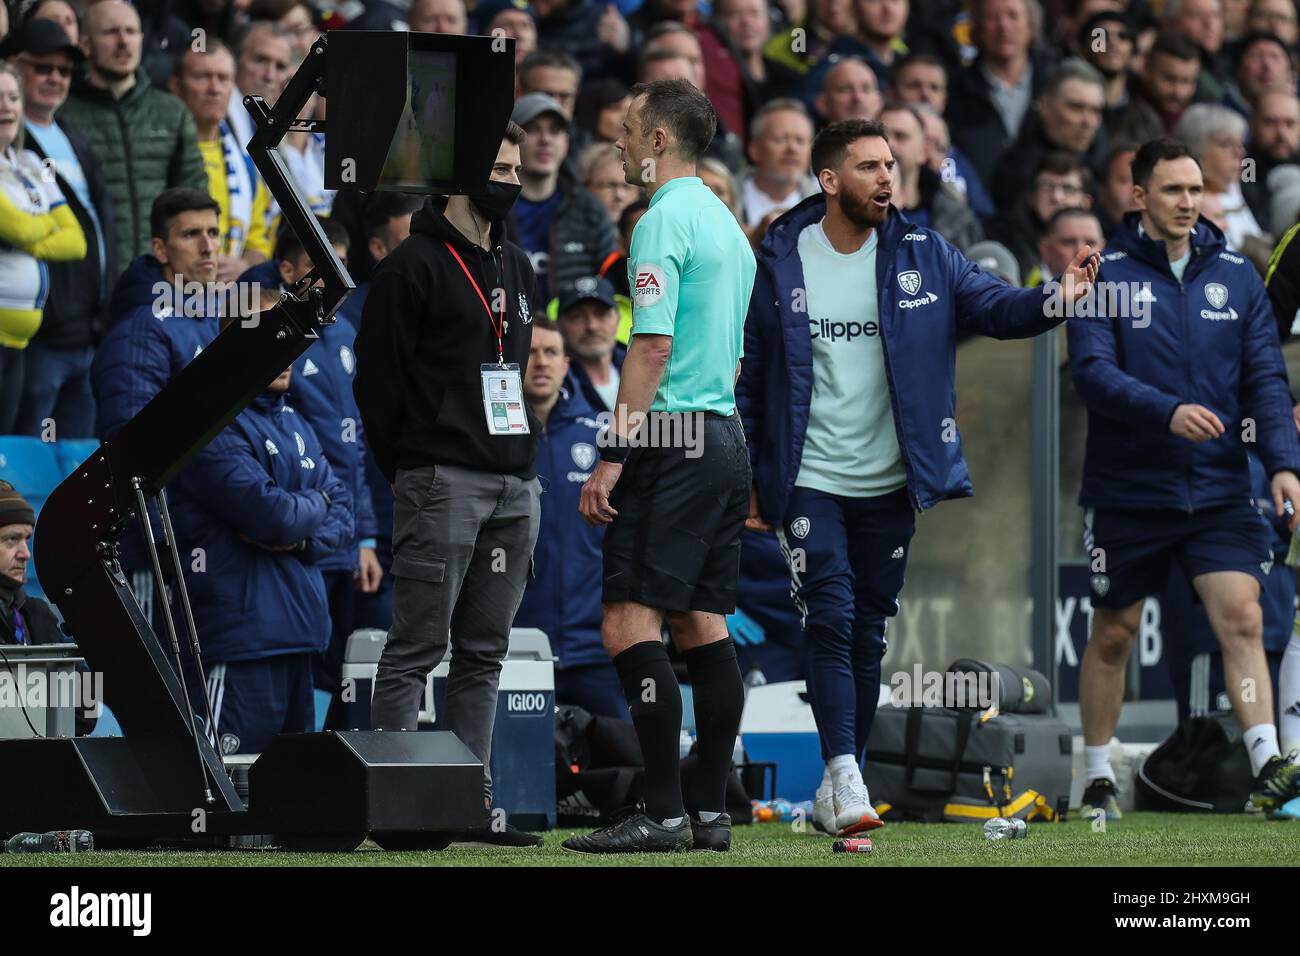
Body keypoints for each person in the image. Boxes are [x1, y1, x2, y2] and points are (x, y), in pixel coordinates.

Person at [738, 118, 1098, 837]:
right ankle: (842, 773)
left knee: (868, 631)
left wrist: (1054, 298)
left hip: (891, 480)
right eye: (868, 166)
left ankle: (847, 773)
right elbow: (751, 380)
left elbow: (996, 307)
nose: (886, 178)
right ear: (830, 180)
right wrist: (754, 472)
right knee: (831, 615)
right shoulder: (777, 257)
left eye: (891, 165)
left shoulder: (924, 252)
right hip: (810, 476)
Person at [1069, 137, 1300, 821]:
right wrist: (1165, 412)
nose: (1187, 202)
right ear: (1138, 195)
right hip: (1128, 490)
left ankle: (1266, 763)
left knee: (1244, 616)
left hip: (1220, 487)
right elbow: (1092, 374)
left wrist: (1284, 463)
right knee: (1114, 630)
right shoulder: (1102, 273)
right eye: (1172, 190)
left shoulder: (1235, 275)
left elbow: (1264, 378)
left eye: (1196, 190)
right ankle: (1096, 775)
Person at [562, 78, 757, 854]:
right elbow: (734, 359)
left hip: (671, 437)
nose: (617, 143)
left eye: (627, 130)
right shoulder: (727, 224)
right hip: (722, 438)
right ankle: (709, 811)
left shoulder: (660, 221)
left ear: (659, 142)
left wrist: (615, 452)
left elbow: (650, 345)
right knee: (702, 623)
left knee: (625, 623)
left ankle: (666, 810)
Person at [353, 122, 544, 847]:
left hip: (513, 485)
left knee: (484, 652)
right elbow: (378, 385)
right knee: (414, 647)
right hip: (442, 478)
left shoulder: (519, 267)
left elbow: (516, 374)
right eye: (499, 166)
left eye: (519, 169)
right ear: (459, 174)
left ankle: (469, 804)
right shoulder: (411, 267)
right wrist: (413, 468)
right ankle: (396, 806)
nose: (514, 180)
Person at [169, 309, 353, 756]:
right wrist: (315, 505)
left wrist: (304, 533)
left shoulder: (295, 423)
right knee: (223, 790)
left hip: (300, 631)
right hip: (240, 640)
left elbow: (345, 514)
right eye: (274, 341)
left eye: (290, 342)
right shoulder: (207, 427)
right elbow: (273, 516)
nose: (287, 355)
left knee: (289, 795)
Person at [91, 188, 222, 624]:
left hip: (209, 537)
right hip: (160, 555)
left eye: (214, 233)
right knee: (164, 679)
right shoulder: (142, 329)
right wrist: (161, 544)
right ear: (160, 249)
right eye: (191, 235)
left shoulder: (209, 317)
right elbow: (132, 450)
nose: (207, 246)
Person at [513, 317, 626, 718]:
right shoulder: (488, 439)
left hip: (596, 647)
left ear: (566, 363)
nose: (541, 363)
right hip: (515, 649)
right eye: (530, 352)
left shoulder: (604, 439)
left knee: (621, 766)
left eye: (551, 353)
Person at [9, 19, 112, 441]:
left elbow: (98, 226)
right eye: (43, 67)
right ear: (15, 67)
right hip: (41, 336)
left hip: (90, 330)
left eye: (65, 71)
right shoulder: (11, 141)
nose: (55, 77)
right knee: (26, 464)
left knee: (77, 467)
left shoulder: (73, 134)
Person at [57, 0, 205, 276]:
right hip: (87, 279)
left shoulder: (171, 111)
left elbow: (193, 198)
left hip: (158, 278)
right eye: (111, 32)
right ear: (85, 44)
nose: (123, 41)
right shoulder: (63, 114)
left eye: (131, 31)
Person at [0, 60, 86, 434]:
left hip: (21, 339)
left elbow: (77, 241)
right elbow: (16, 226)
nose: (7, 106)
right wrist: (47, 223)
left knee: (6, 450)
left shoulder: (30, 162)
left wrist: (32, 234)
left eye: (13, 97)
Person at [170, 41, 272, 284]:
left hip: (228, 300)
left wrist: (243, 265)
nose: (214, 88)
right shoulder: (163, 155)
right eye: (202, 77)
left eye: (223, 79)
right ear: (176, 86)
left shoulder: (246, 163)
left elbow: (260, 243)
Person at [509, 91, 618, 304]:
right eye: (532, 129)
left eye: (555, 130)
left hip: (570, 332)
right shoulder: (491, 206)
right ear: (510, 140)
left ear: (566, 142)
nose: (545, 139)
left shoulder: (590, 209)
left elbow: (611, 280)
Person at [558, 275, 625, 413]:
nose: (592, 326)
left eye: (601, 314)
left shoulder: (644, 367)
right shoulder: (554, 384)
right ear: (559, 325)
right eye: (577, 316)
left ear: (617, 319)